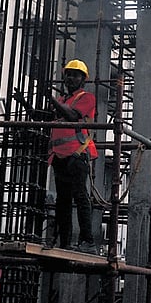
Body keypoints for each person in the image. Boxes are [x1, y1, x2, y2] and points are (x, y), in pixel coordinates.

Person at [46, 59, 99, 251]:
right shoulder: (62, 100)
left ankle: (88, 241)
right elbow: (50, 118)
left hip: (77, 155)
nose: (70, 78)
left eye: (75, 75)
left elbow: (72, 116)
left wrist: (52, 100)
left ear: (83, 80)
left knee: (80, 196)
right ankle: (65, 242)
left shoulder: (87, 98)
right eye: (68, 74)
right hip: (59, 156)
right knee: (63, 200)